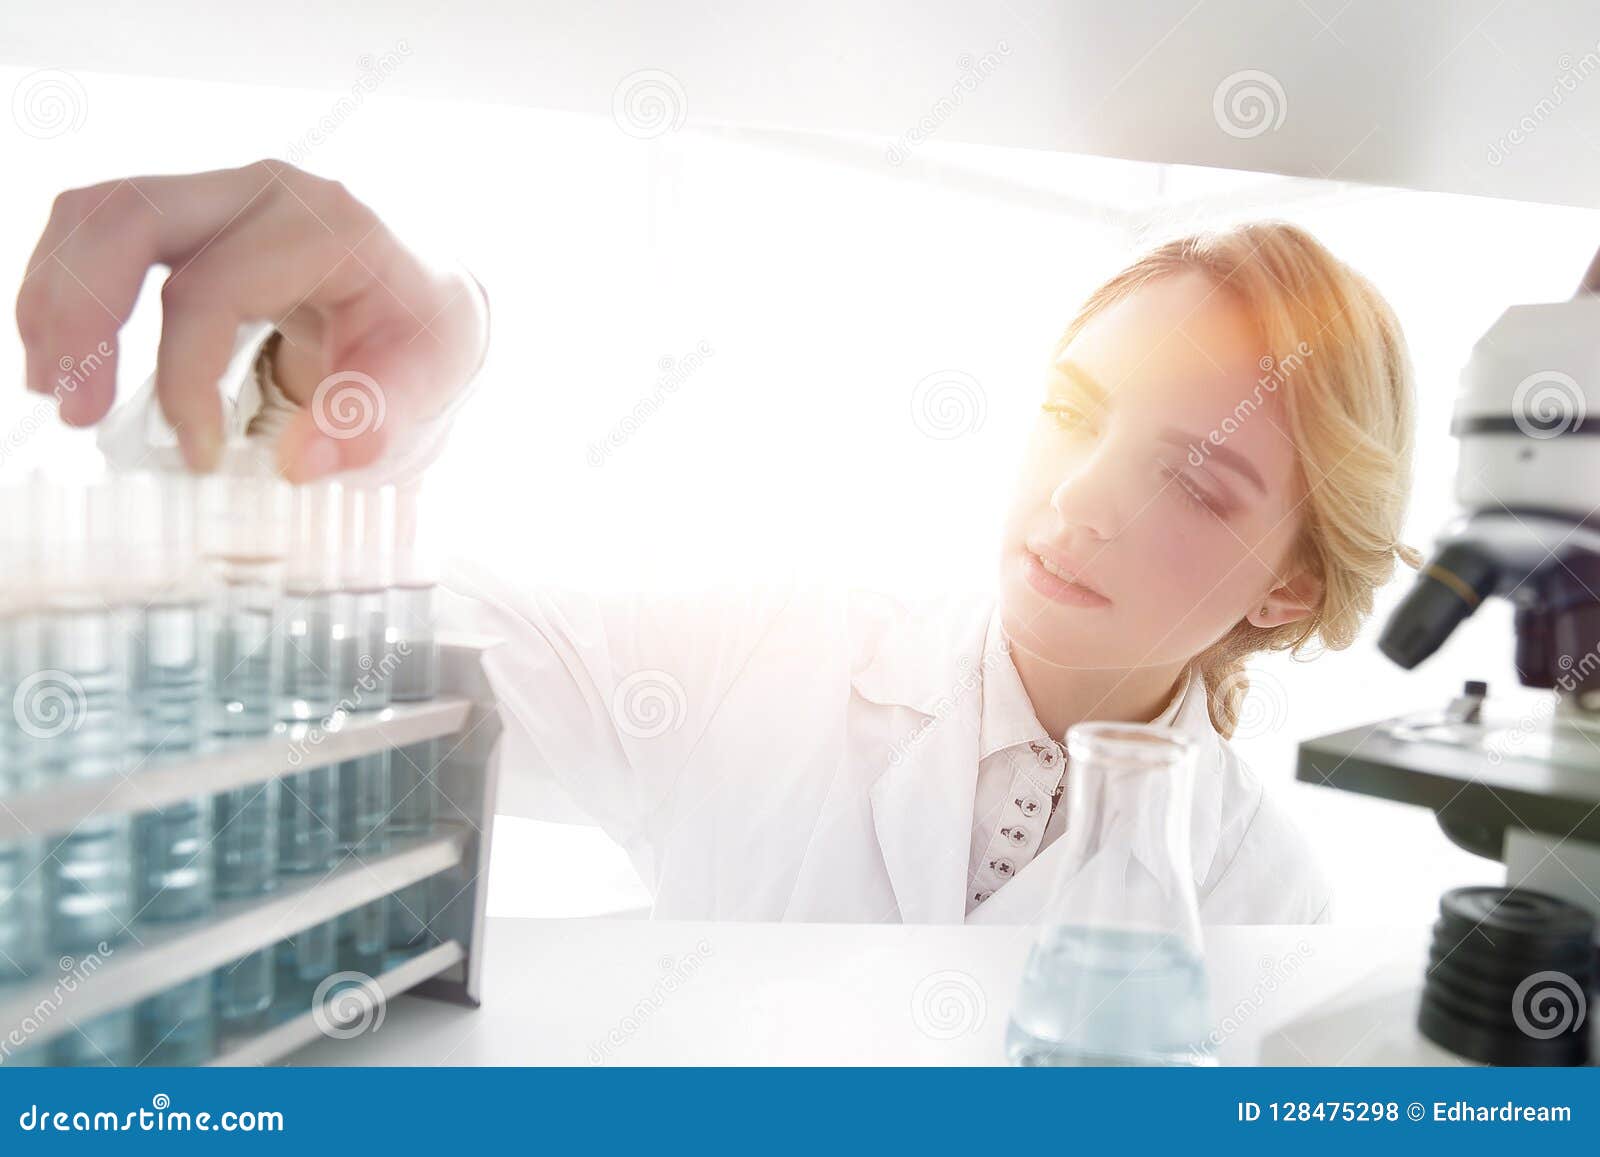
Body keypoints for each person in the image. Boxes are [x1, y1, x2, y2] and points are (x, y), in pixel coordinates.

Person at [15, 160, 1422, 924]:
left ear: (1294, 581)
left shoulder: (1268, 904)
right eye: (1071, 410)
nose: (1083, 501)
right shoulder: (770, 653)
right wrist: (356, 403)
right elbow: (291, 675)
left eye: (1193, 477)